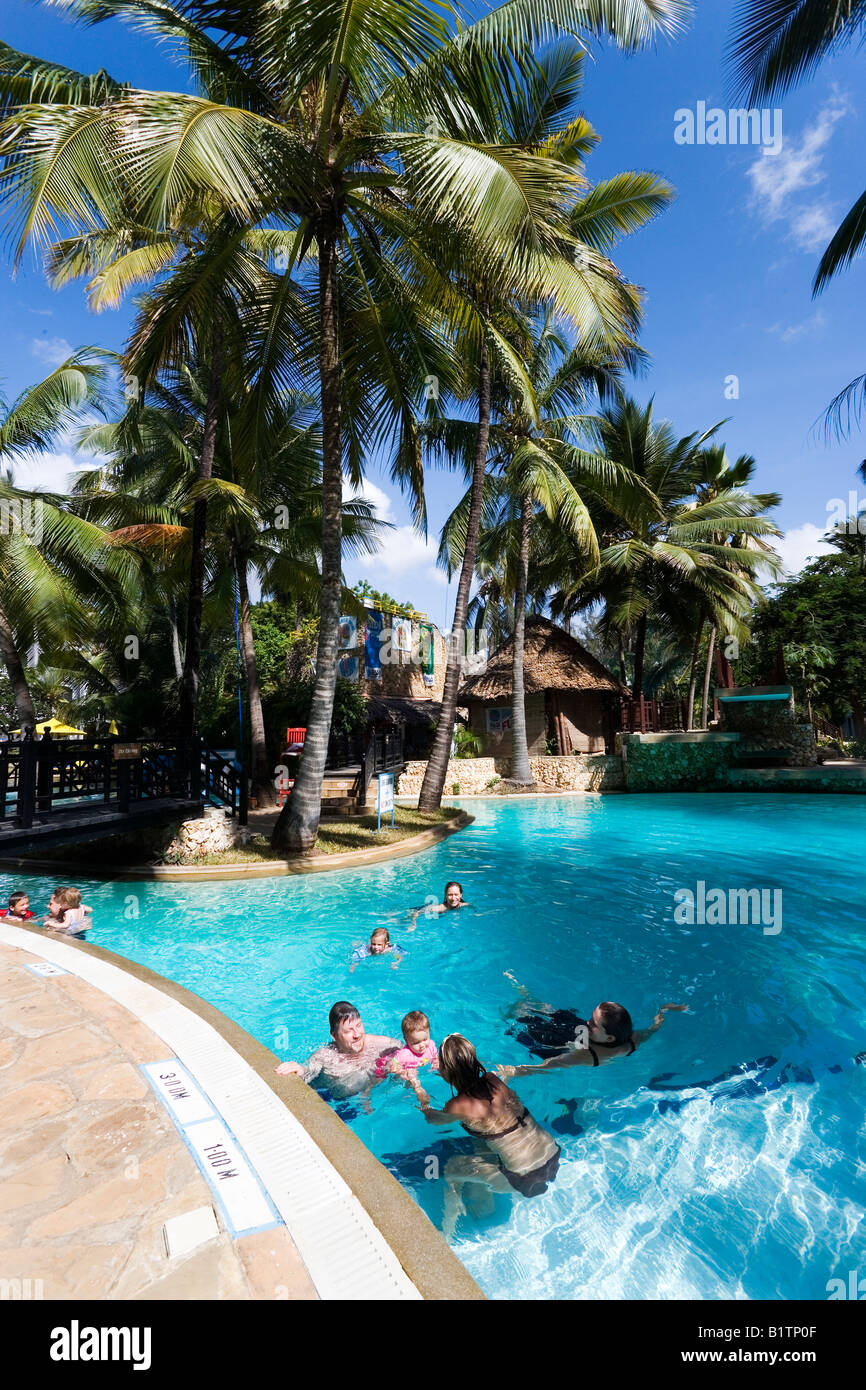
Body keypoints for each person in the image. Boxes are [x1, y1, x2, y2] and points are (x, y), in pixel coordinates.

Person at [413, 1033, 560, 1236]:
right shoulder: (494, 1080)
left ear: (446, 1073)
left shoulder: (457, 1105)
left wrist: (420, 1095)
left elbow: (433, 1119)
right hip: (551, 1156)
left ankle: (449, 1224)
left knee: (451, 1167)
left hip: (521, 1177)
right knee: (483, 1141)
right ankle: (484, 1193)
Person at [497, 1002, 689, 1080]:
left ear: (609, 1037)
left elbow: (549, 1065)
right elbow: (654, 1027)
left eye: (593, 1023)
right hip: (584, 1038)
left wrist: (512, 1072)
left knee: (523, 1027)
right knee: (557, 1015)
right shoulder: (635, 1039)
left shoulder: (587, 1056)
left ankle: (507, 1020)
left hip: (568, 1045)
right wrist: (666, 1009)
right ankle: (528, 999)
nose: (588, 1022)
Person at [274, 1001, 399, 1098]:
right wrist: (299, 1070)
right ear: (334, 1036)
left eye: (358, 1025)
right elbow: (309, 1072)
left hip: (368, 1099)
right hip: (334, 1101)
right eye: (348, 1031)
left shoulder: (381, 1044)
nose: (357, 1034)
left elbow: (410, 1051)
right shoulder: (325, 1056)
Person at [375, 1010, 439, 1078]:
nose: (422, 1045)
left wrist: (435, 1062)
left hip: (415, 1065)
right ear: (406, 1040)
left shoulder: (431, 1045)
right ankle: (417, 1088)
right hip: (384, 1063)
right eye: (416, 1042)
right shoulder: (404, 1055)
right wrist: (400, 1070)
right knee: (410, 1076)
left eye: (425, 1039)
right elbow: (391, 1064)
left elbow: (435, 1056)